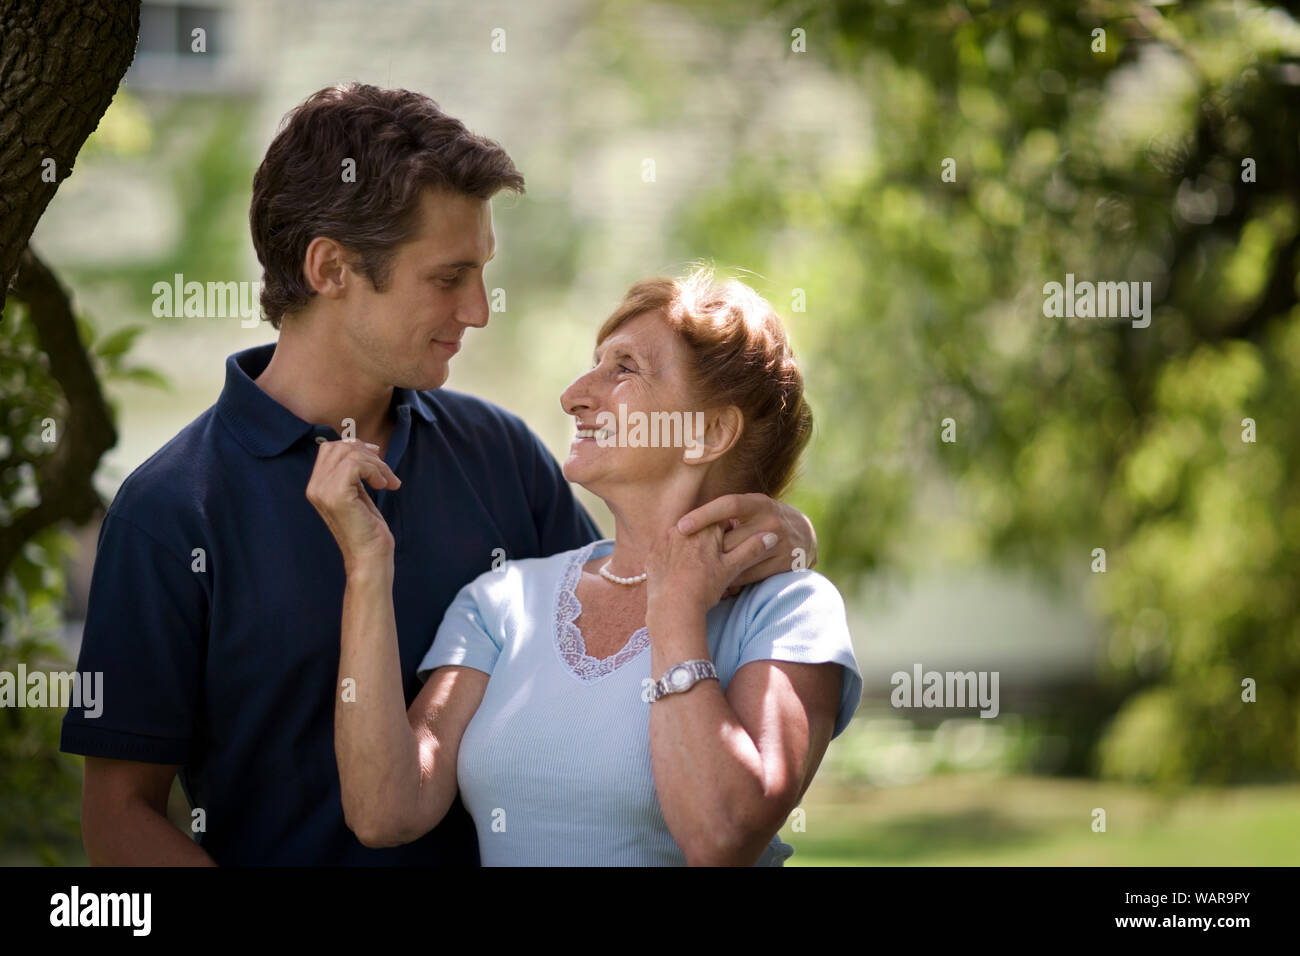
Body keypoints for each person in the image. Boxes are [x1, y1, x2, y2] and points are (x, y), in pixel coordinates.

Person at [59, 83, 818, 865]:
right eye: (448, 277)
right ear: (330, 268)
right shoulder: (169, 511)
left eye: (481, 272)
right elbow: (118, 817)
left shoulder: (500, 456)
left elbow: (629, 634)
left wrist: (775, 534)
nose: (480, 310)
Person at [314, 267, 862, 865]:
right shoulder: (503, 600)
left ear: (707, 432)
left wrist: (675, 609)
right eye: (594, 364)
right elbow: (385, 812)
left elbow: (721, 836)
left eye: (623, 368)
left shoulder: (790, 611)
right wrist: (368, 567)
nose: (574, 393)